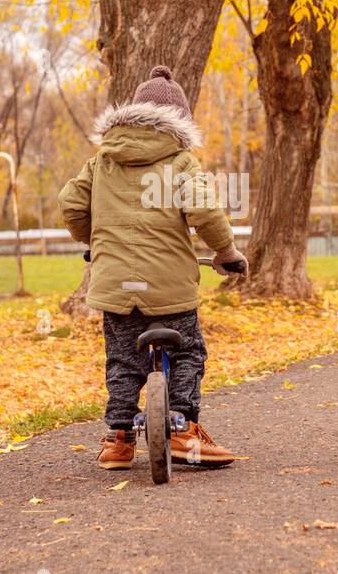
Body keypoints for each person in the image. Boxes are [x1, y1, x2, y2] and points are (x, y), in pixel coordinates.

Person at [57, 65, 248, 471]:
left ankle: (117, 439)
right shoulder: (180, 161)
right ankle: (182, 428)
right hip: (169, 286)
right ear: (180, 120)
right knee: (188, 352)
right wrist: (226, 251)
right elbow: (204, 210)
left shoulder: (102, 160)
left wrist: (94, 241)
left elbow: (70, 204)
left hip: (113, 285)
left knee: (123, 359)